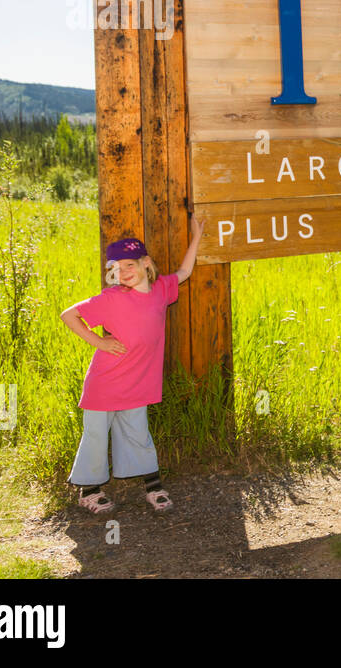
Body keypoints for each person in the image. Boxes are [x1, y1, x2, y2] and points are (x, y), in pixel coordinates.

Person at [59, 217, 204, 513]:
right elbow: (69, 315)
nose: (123, 272)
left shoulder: (162, 288)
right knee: (97, 434)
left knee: (138, 432)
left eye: (129, 264)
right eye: (116, 267)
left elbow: (185, 271)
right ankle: (89, 490)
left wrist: (197, 235)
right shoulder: (112, 298)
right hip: (106, 381)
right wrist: (99, 343)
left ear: (146, 263)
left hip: (138, 382)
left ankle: (153, 486)